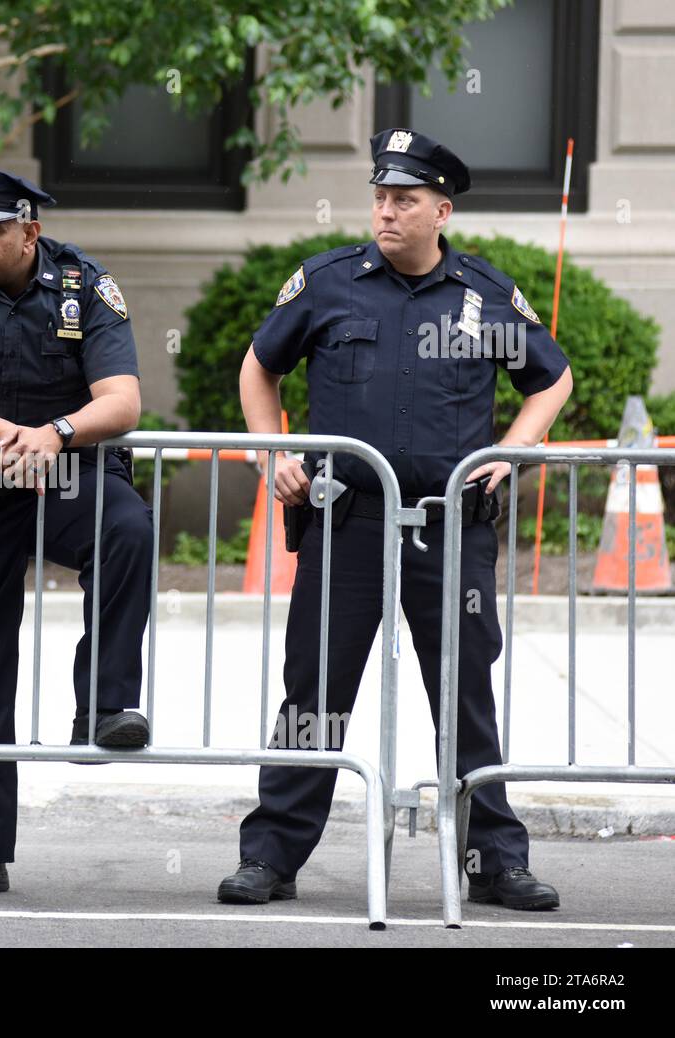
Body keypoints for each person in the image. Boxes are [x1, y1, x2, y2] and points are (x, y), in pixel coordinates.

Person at [219, 129, 572, 910]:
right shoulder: (327, 283)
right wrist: (268, 450)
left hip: (449, 530)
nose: (386, 211)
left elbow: (552, 380)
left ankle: (493, 861)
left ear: (440, 211)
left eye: (404, 200)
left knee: (463, 693)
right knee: (314, 694)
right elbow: (259, 367)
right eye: (380, 197)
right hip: (347, 524)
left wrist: (511, 450)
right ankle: (272, 856)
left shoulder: (482, 297)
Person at [0, 165, 155, 898]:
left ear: (29, 233)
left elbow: (124, 399)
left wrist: (58, 433)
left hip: (66, 473)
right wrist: (19, 434)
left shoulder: (84, 285)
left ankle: (104, 707)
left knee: (127, 529)